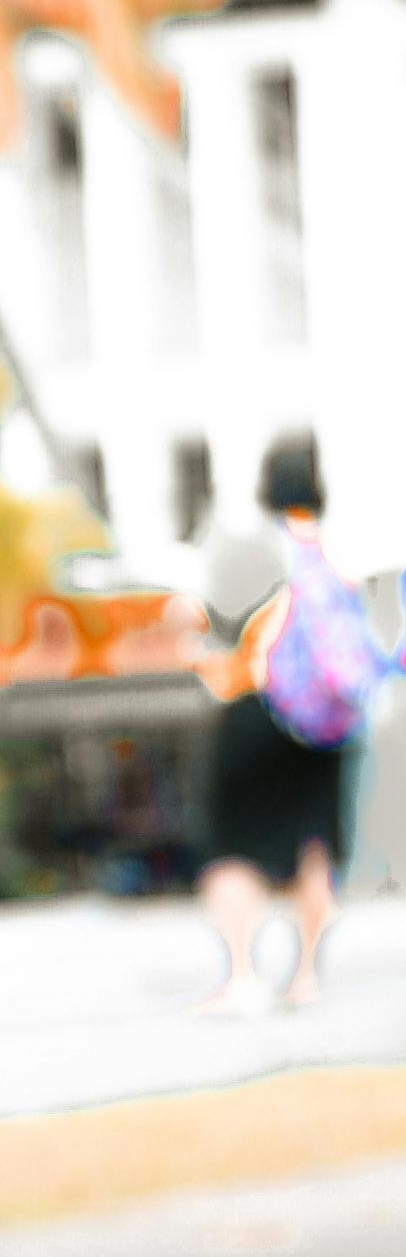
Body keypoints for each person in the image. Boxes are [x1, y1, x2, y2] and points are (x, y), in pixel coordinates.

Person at [199, 434, 389, 1013]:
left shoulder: (249, 548)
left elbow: (214, 626)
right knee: (315, 847)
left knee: (235, 848)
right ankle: (306, 976)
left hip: (256, 711)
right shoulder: (340, 555)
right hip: (326, 724)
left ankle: (242, 976)